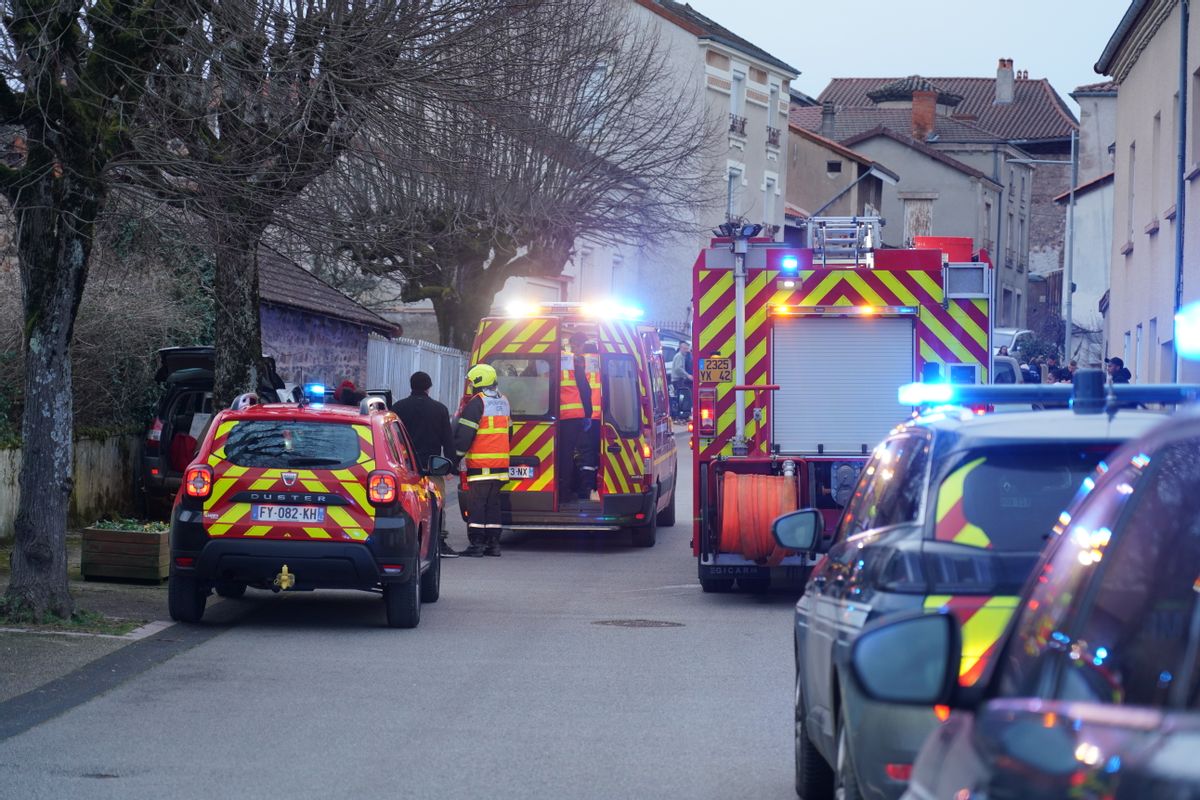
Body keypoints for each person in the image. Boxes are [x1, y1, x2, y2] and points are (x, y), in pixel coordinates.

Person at [393, 371, 458, 558]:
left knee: (406, 504)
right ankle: (439, 542)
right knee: (437, 504)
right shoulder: (439, 409)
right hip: (433, 467)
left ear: (411, 385)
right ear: (429, 387)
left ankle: (409, 540)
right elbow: (448, 439)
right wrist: (450, 466)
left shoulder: (398, 408)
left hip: (406, 468)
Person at [454, 364, 511, 557]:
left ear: (478, 381)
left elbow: (464, 436)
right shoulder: (504, 401)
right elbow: (509, 432)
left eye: (472, 382)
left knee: (477, 504)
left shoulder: (477, 403)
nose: (470, 386)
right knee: (493, 504)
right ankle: (493, 544)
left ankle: (477, 544)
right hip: (500, 466)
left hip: (481, 466)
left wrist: (455, 458)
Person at [557, 333, 594, 503]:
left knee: (553, 454)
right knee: (567, 454)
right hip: (571, 417)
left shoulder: (541, 359)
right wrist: (587, 414)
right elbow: (585, 389)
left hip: (548, 416)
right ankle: (564, 493)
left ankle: (553, 489)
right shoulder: (572, 360)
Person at [578, 340, 602, 501]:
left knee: (585, 452)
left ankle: (586, 487)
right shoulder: (603, 362)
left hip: (582, 414)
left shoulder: (578, 363)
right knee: (597, 450)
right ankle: (596, 485)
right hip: (601, 415)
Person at [670, 341, 693, 418]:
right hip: (677, 380)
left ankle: (681, 414)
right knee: (682, 397)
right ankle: (680, 415)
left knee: (681, 397)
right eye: (684, 348)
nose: (686, 350)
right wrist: (687, 375)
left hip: (678, 380)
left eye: (687, 348)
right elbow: (678, 369)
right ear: (680, 348)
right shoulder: (679, 356)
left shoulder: (682, 356)